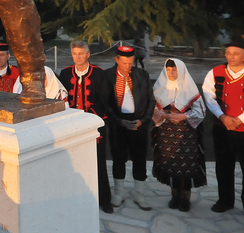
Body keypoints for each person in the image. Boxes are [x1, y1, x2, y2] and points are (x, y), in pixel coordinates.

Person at [201, 42, 244, 222]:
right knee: (223, 166)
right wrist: (223, 117)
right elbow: (209, 97)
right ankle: (225, 200)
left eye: (236, 53)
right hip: (222, 127)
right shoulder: (214, 73)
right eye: (228, 53)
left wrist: (240, 120)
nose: (231, 56)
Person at [60, 42, 114, 211]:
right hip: (71, 126)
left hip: (94, 125)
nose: (78, 57)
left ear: (88, 55)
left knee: (98, 162)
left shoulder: (99, 74)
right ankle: (75, 197)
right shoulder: (65, 73)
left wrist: (86, 117)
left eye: (81, 53)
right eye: (74, 53)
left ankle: (104, 200)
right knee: (74, 163)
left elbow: (104, 99)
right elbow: (62, 97)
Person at [150, 59, 206, 212]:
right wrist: (161, 115)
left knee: (186, 165)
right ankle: (174, 196)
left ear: (180, 70)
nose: (171, 73)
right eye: (168, 70)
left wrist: (183, 116)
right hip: (166, 132)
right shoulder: (159, 87)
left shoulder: (190, 89)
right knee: (170, 162)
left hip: (186, 133)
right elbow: (154, 109)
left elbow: (201, 112)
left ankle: (185, 198)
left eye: (174, 69)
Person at [104, 45, 155, 210]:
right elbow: (105, 103)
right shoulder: (108, 76)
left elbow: (151, 100)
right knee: (118, 159)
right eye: (124, 63)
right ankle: (119, 194)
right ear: (117, 60)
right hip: (118, 125)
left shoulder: (142, 75)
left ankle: (140, 195)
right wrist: (119, 121)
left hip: (138, 124)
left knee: (139, 159)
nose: (127, 66)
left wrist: (143, 121)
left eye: (130, 63)